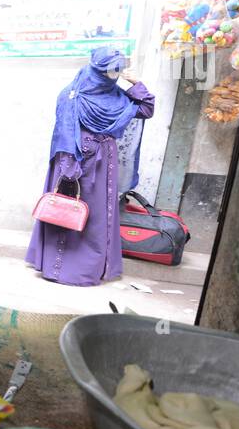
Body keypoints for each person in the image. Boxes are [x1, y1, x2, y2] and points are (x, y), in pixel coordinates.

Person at [25, 46, 155, 286]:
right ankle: (59, 269)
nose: (113, 76)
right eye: (109, 71)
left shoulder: (117, 97)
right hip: (74, 162)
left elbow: (147, 109)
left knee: (94, 218)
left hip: (102, 164)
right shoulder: (72, 95)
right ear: (97, 70)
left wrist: (136, 83)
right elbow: (64, 131)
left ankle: (86, 268)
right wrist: (68, 168)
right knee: (66, 212)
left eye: (117, 71)